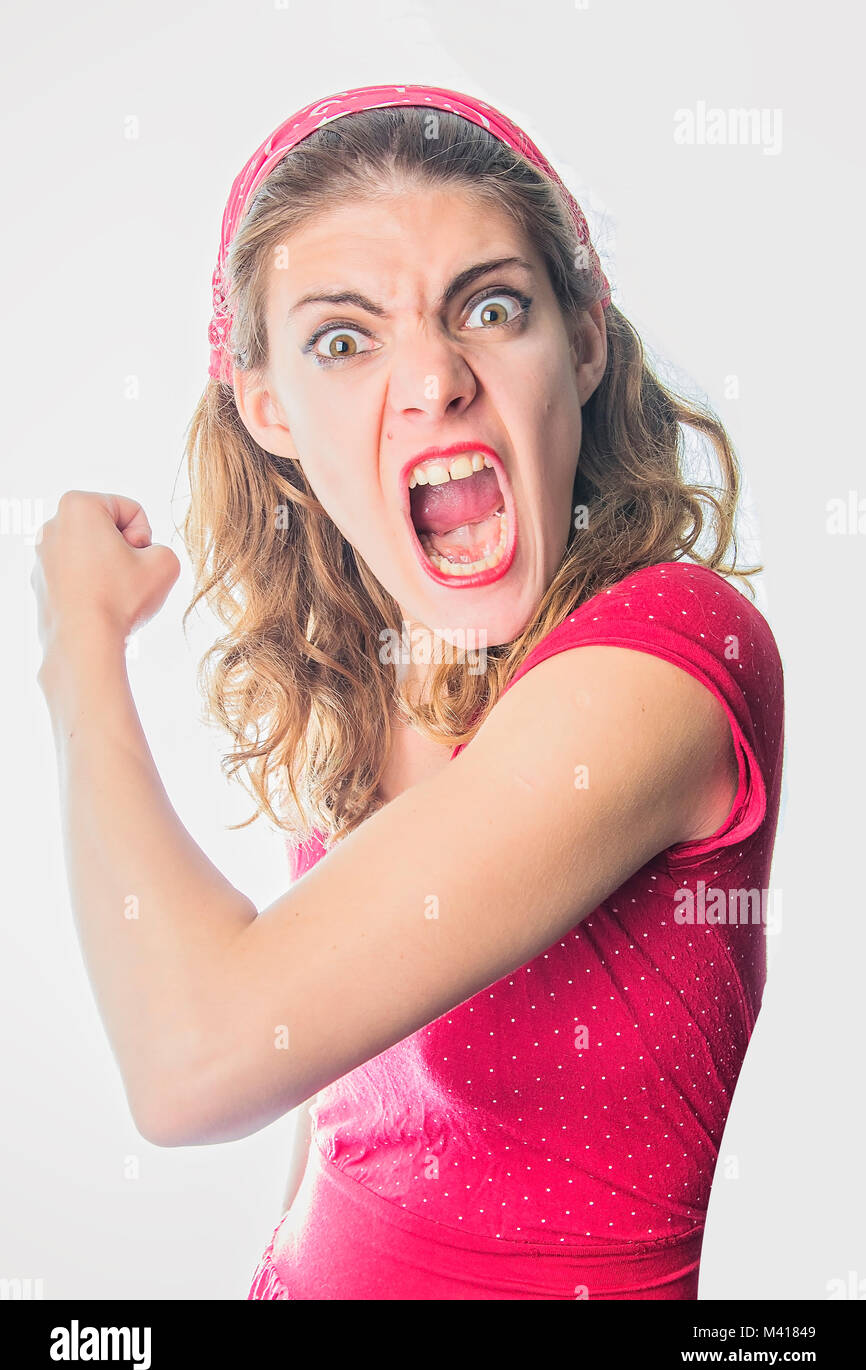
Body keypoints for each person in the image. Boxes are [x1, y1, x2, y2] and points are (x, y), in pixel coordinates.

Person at [32, 84, 784, 1301]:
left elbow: (190, 1061)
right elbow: (340, 1106)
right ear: (265, 406)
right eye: (343, 337)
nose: (435, 378)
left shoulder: (667, 655)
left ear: (583, 339)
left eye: (489, 306)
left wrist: (79, 652)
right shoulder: (379, 662)